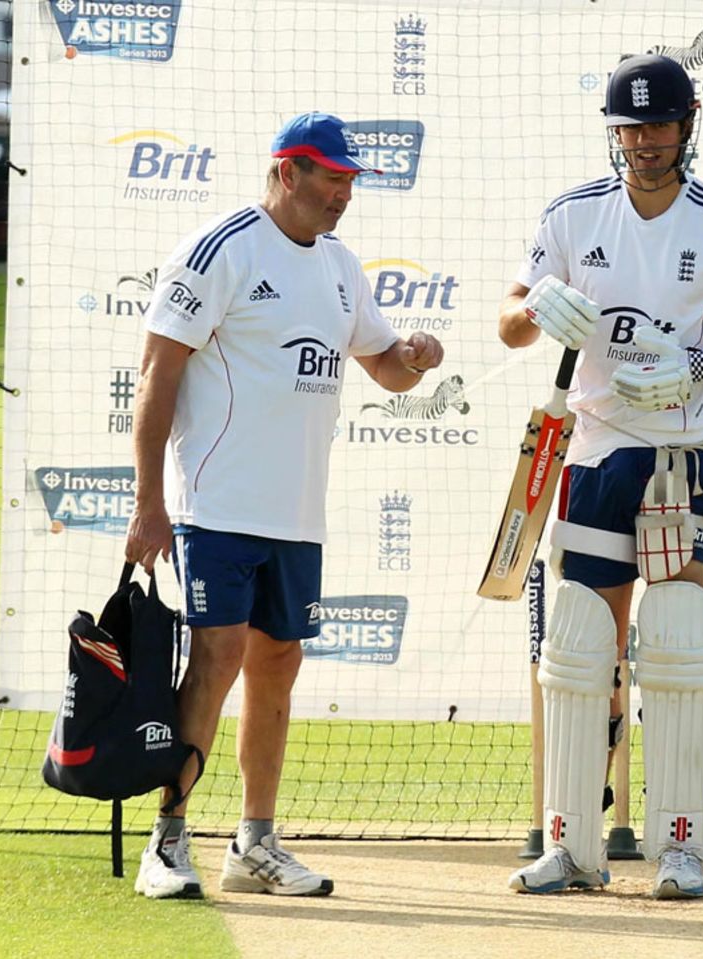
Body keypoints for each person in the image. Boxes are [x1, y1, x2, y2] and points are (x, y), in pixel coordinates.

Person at [123, 111, 444, 900]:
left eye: (349, 180)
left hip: (297, 516)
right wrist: (148, 502)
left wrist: (415, 358)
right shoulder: (221, 249)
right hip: (218, 506)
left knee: (279, 667)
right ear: (286, 171)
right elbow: (157, 373)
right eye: (330, 177)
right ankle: (167, 841)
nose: (343, 193)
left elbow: (387, 373)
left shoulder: (341, 265)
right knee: (218, 657)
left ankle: (254, 843)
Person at [500, 55, 703, 898]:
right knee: (583, 641)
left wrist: (697, 363)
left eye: (660, 125)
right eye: (632, 127)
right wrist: (532, 311)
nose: (646, 142)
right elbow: (509, 322)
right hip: (591, 452)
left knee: (678, 636)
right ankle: (571, 846)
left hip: (679, 456)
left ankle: (681, 847)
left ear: (687, 126)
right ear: (615, 132)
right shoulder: (571, 215)